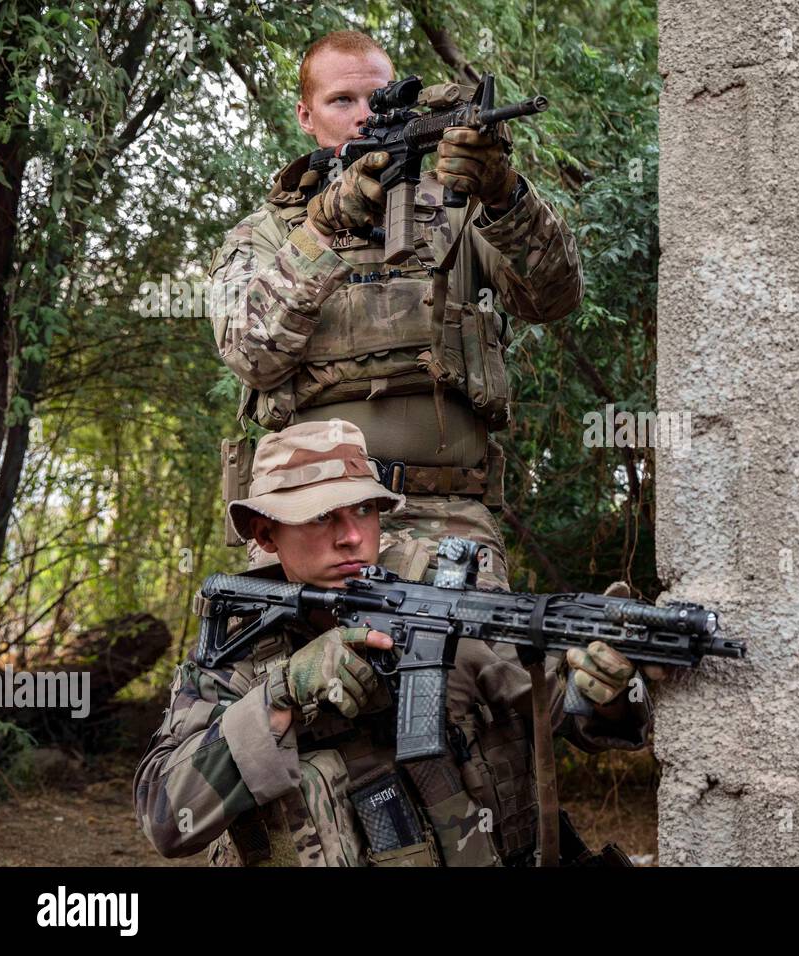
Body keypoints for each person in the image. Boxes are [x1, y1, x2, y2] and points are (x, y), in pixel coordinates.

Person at [133, 420, 650, 866]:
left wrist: (608, 691)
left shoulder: (447, 598)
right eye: (321, 516)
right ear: (266, 535)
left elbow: (572, 711)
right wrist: (283, 695)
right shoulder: (239, 654)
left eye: (363, 511)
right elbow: (165, 815)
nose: (352, 536)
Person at [208, 29, 583, 584]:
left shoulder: (458, 208)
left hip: (446, 521)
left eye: (377, 99)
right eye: (342, 100)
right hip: (306, 521)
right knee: (301, 671)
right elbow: (252, 355)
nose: (363, 116)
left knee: (472, 669)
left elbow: (554, 298)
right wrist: (322, 230)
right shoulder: (264, 235)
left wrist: (504, 193)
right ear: (305, 115)